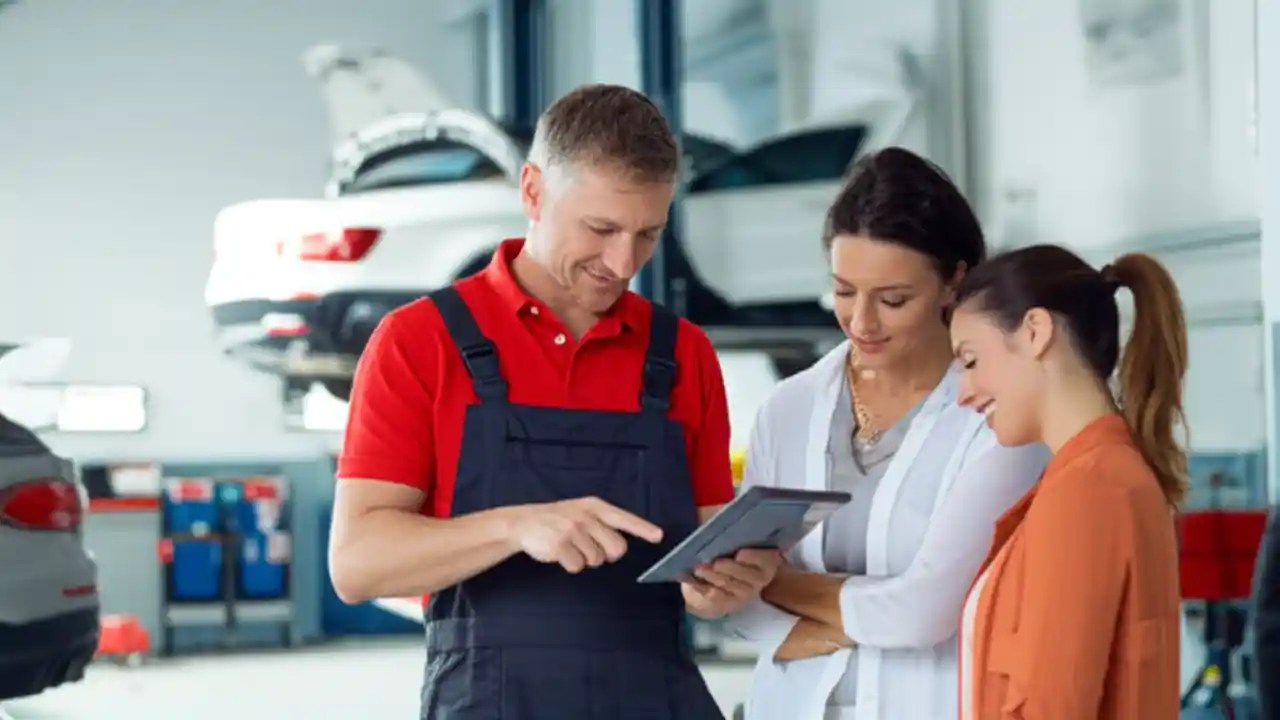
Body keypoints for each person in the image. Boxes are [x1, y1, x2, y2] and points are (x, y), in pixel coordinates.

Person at [327, 83, 781, 720]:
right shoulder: (419, 342)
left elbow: (706, 563)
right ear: (533, 190)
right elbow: (357, 565)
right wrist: (517, 525)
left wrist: (724, 585)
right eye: (600, 229)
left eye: (647, 233)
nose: (623, 262)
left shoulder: (683, 355)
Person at [725, 147, 1050, 720]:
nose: (861, 322)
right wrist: (777, 600)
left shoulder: (999, 417)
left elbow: (925, 612)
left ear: (954, 282)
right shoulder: (789, 408)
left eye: (893, 300)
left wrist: (775, 583)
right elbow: (739, 603)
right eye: (844, 291)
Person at [949, 244, 1186, 719]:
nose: (963, 394)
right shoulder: (1105, 475)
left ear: (1035, 332)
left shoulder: (1089, 489)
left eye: (971, 361)